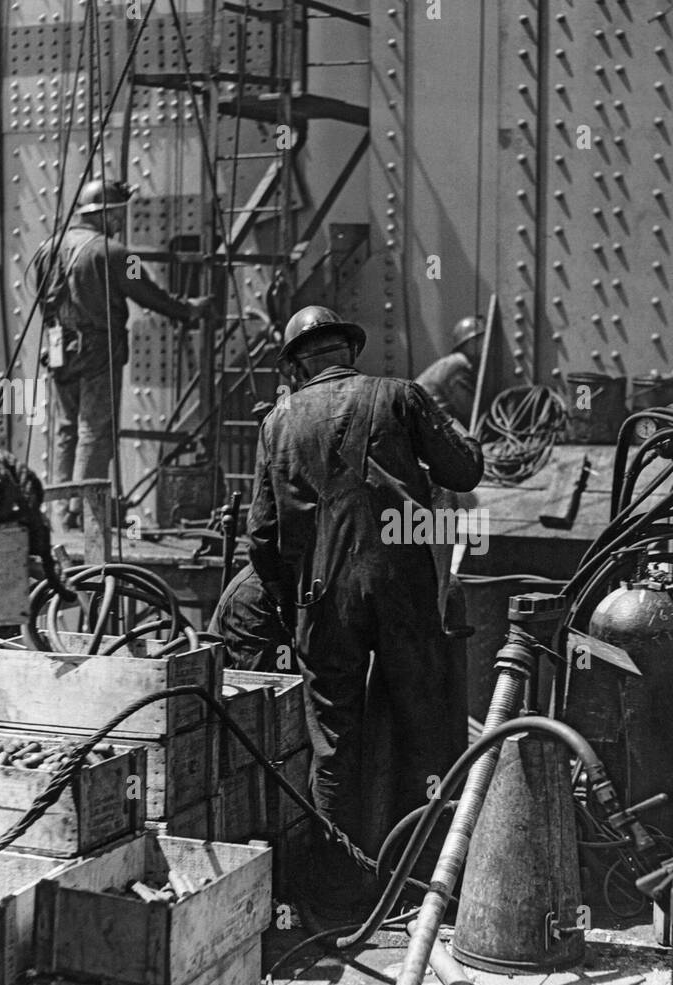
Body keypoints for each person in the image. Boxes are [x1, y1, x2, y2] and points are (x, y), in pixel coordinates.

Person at [247, 305, 483, 922]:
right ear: (346, 352)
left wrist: (288, 602)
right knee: (426, 730)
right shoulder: (400, 396)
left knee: (334, 745)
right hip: (402, 586)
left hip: (322, 598)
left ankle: (341, 890)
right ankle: (426, 884)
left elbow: (262, 536)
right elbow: (465, 468)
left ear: (297, 365)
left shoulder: (276, 424)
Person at [32, 178, 215, 530]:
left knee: (67, 430)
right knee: (95, 431)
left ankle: (61, 515)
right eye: (117, 214)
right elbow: (149, 294)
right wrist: (190, 310)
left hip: (58, 349)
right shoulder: (118, 254)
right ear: (106, 213)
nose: (120, 221)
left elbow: (40, 295)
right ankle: (87, 516)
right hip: (98, 349)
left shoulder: (46, 249)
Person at [414, 314, 488, 429]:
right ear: (472, 343)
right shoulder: (458, 365)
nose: (487, 346)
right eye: (483, 340)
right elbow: (469, 411)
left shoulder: (452, 362)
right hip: (426, 425)